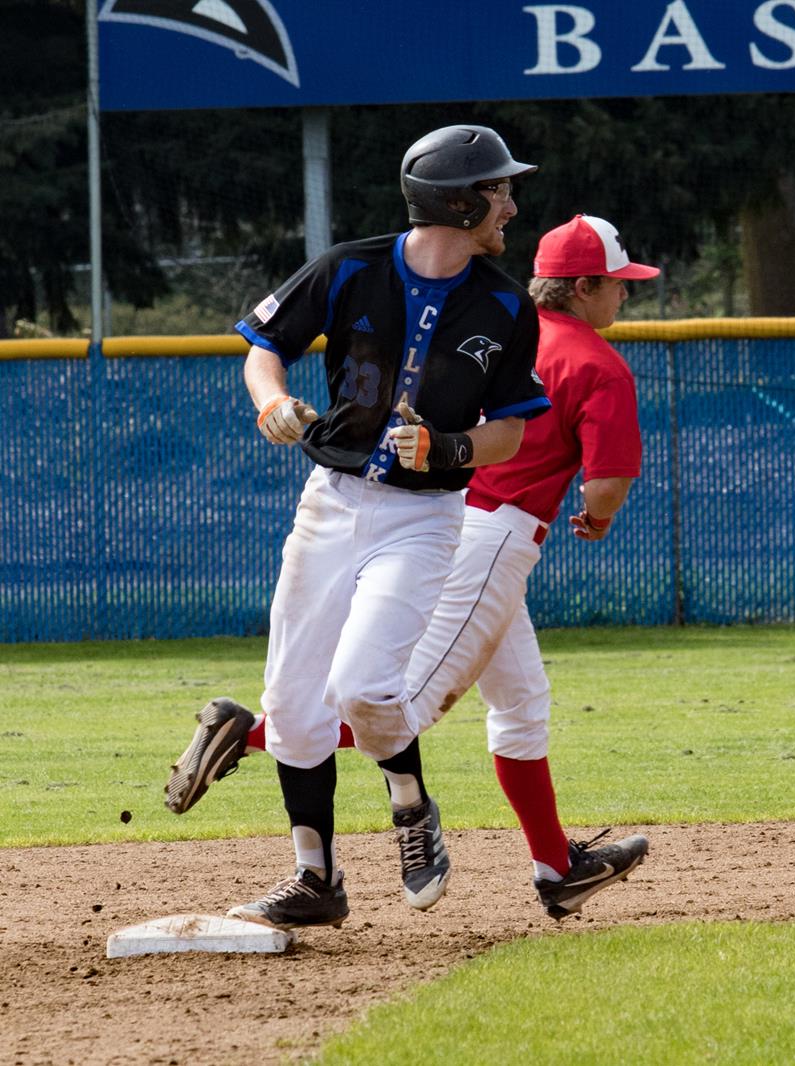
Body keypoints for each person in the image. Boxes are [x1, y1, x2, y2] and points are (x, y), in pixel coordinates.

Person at [168, 213, 654, 920]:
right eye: (618, 285)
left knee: (521, 704)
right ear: (583, 287)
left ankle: (557, 867)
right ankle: (250, 735)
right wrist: (599, 519)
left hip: (438, 515)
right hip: (483, 537)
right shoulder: (591, 361)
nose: (625, 297)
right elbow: (604, 486)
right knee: (405, 699)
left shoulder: (502, 318)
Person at [217, 124, 550, 931]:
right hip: (331, 504)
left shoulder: (504, 304)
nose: (510, 201)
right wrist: (271, 401)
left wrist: (453, 445)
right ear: (459, 201)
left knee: (363, 686)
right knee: (292, 706)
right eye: (498, 189)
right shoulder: (349, 269)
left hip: (422, 516)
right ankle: (315, 878)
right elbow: (263, 346)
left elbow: (511, 429)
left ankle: (412, 805)